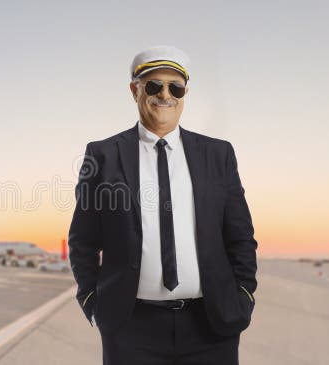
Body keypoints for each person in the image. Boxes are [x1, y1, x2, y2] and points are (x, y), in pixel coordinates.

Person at [69, 45, 257, 365]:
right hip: (130, 329)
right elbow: (83, 240)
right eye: (154, 85)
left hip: (211, 326)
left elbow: (240, 237)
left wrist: (244, 297)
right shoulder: (103, 155)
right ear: (135, 90)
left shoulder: (218, 154)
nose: (165, 95)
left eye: (176, 87)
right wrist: (91, 301)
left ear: (184, 93)